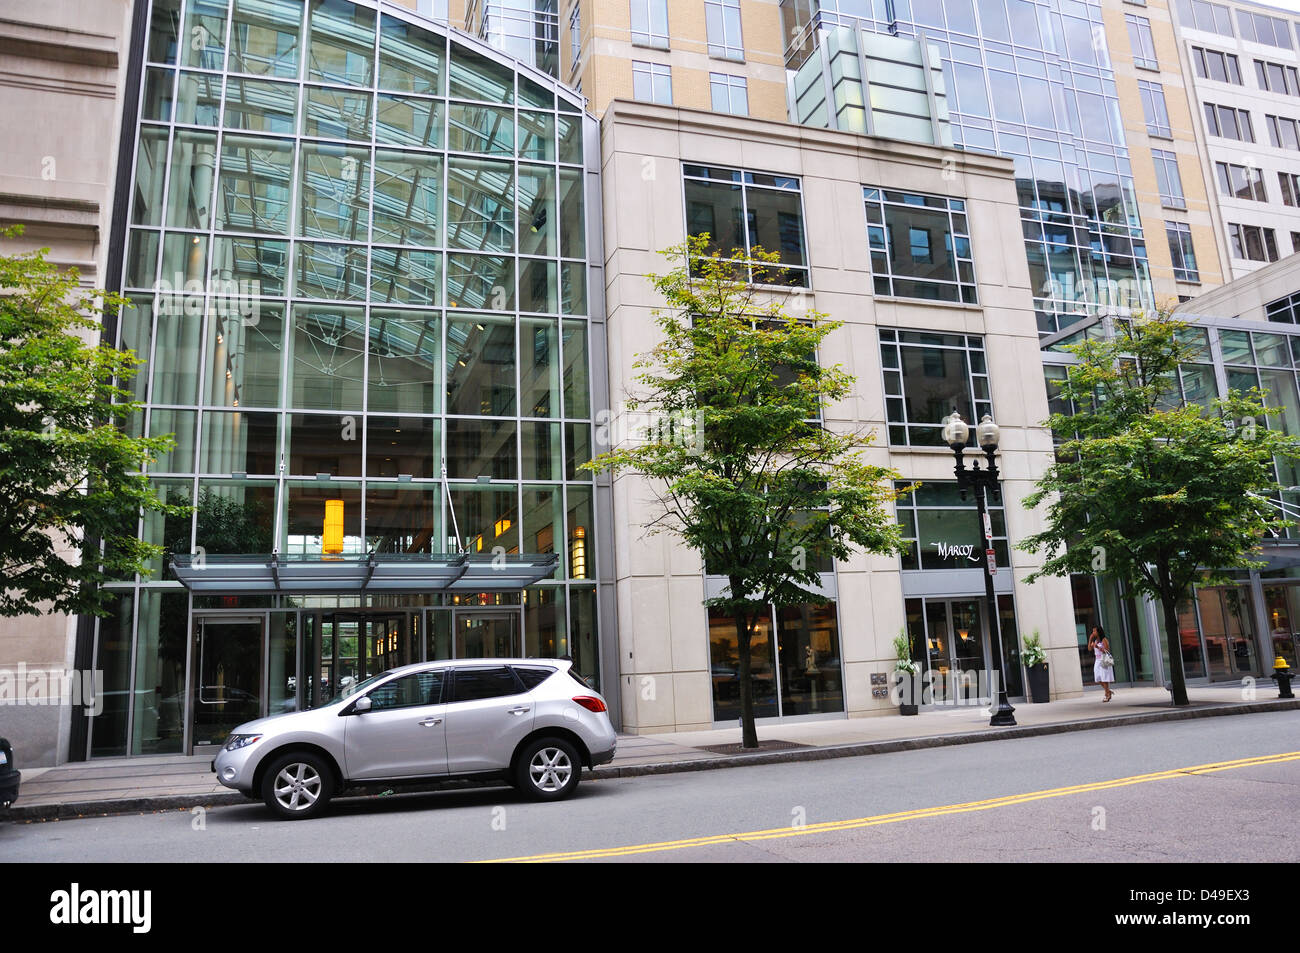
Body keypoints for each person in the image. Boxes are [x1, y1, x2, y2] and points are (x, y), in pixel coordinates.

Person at [1088, 625, 1115, 702]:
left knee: (1104, 678)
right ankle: (1108, 691)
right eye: (1093, 631)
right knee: (1098, 677)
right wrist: (1090, 639)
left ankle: (1107, 694)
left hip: (1103, 659)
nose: (1093, 633)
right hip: (1097, 660)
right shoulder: (1095, 640)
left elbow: (1106, 650)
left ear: (1098, 632)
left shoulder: (1104, 640)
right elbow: (1089, 649)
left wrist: (1096, 646)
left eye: (1094, 631)